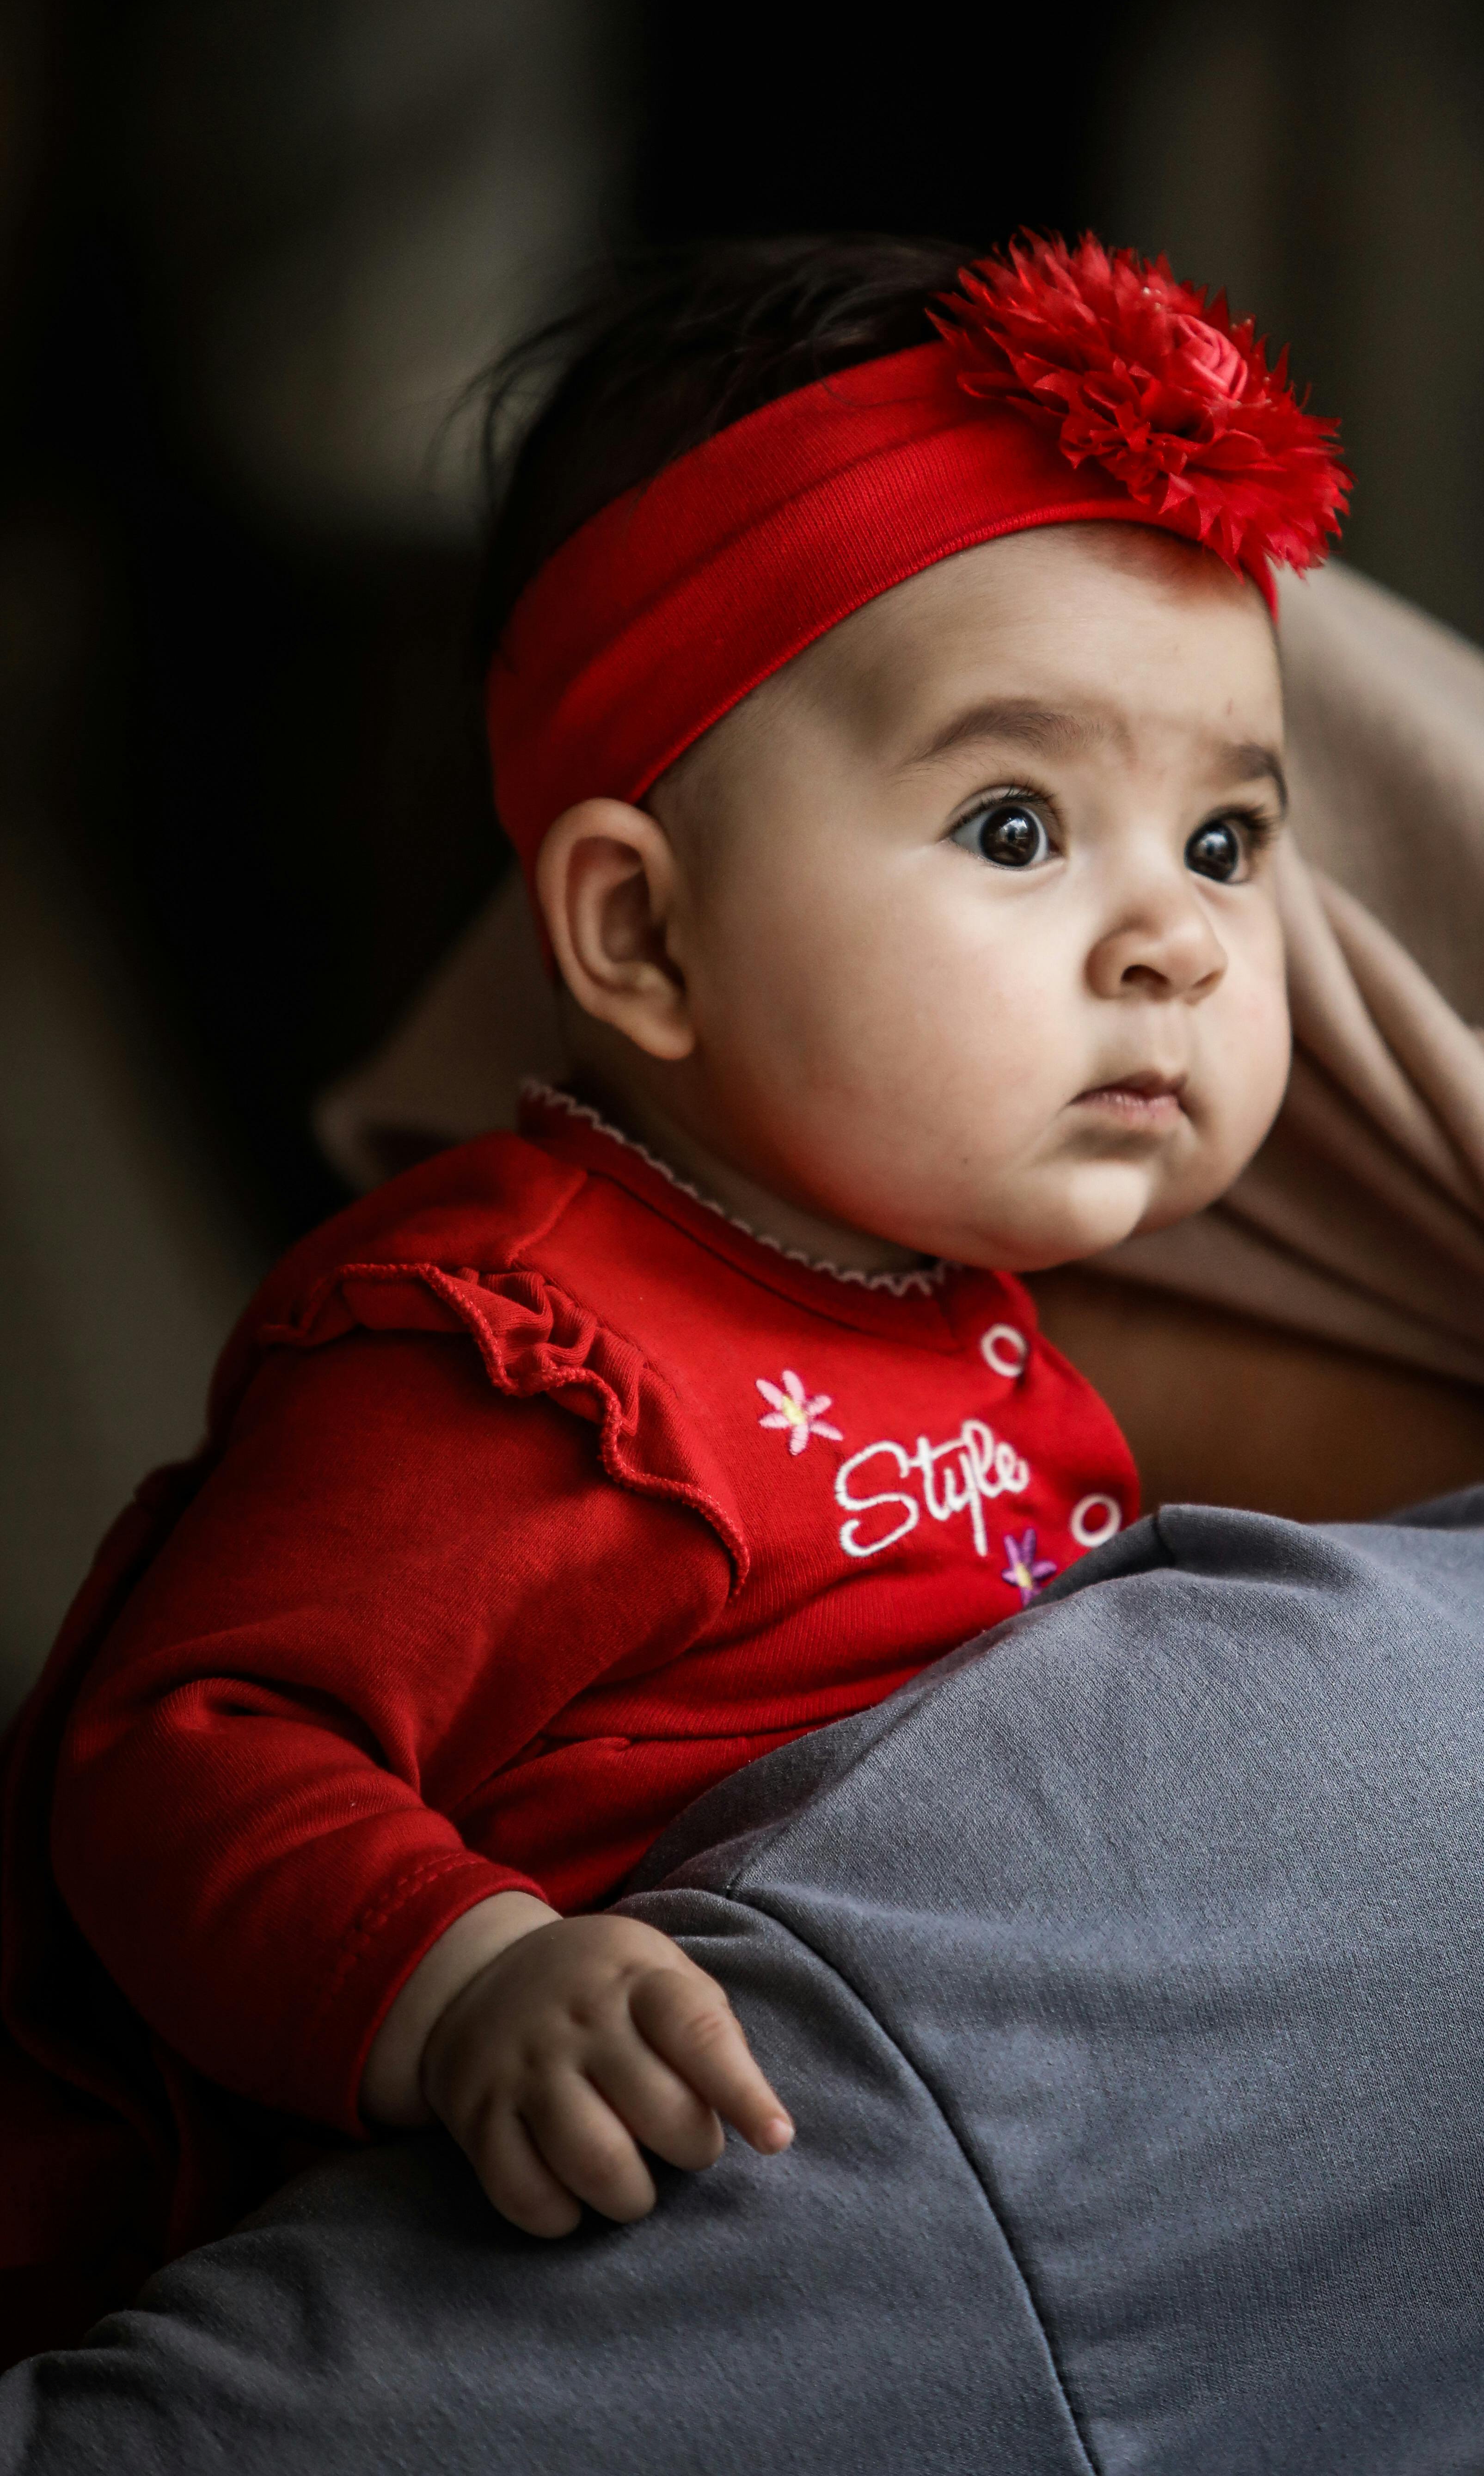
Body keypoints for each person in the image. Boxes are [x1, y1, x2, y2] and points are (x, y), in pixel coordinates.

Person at [1, 229, 1350, 2338]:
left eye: (1224, 845)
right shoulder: (521, 1356)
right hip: (509, 2270)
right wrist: (468, 1986)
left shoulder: (952, 1300)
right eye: (1014, 828)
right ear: (638, 933)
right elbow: (185, 1745)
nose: (1172, 940)